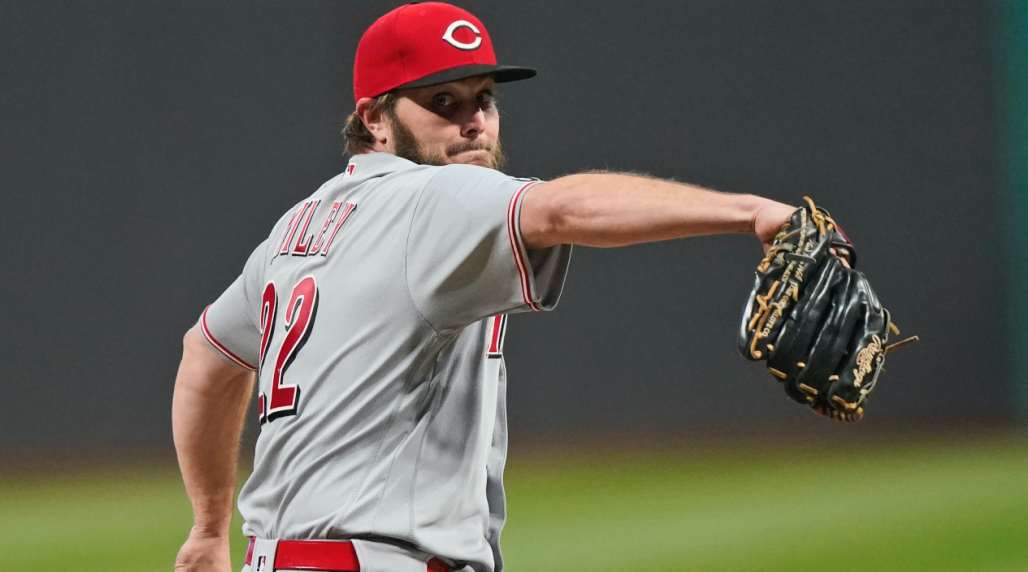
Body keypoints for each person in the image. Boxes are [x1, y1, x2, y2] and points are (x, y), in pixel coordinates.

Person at [172, 3, 795, 572]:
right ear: (375, 119)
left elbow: (206, 356)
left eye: (485, 99)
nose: (474, 122)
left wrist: (207, 528)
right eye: (443, 102)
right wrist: (754, 213)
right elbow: (562, 209)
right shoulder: (434, 197)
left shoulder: (295, 230)